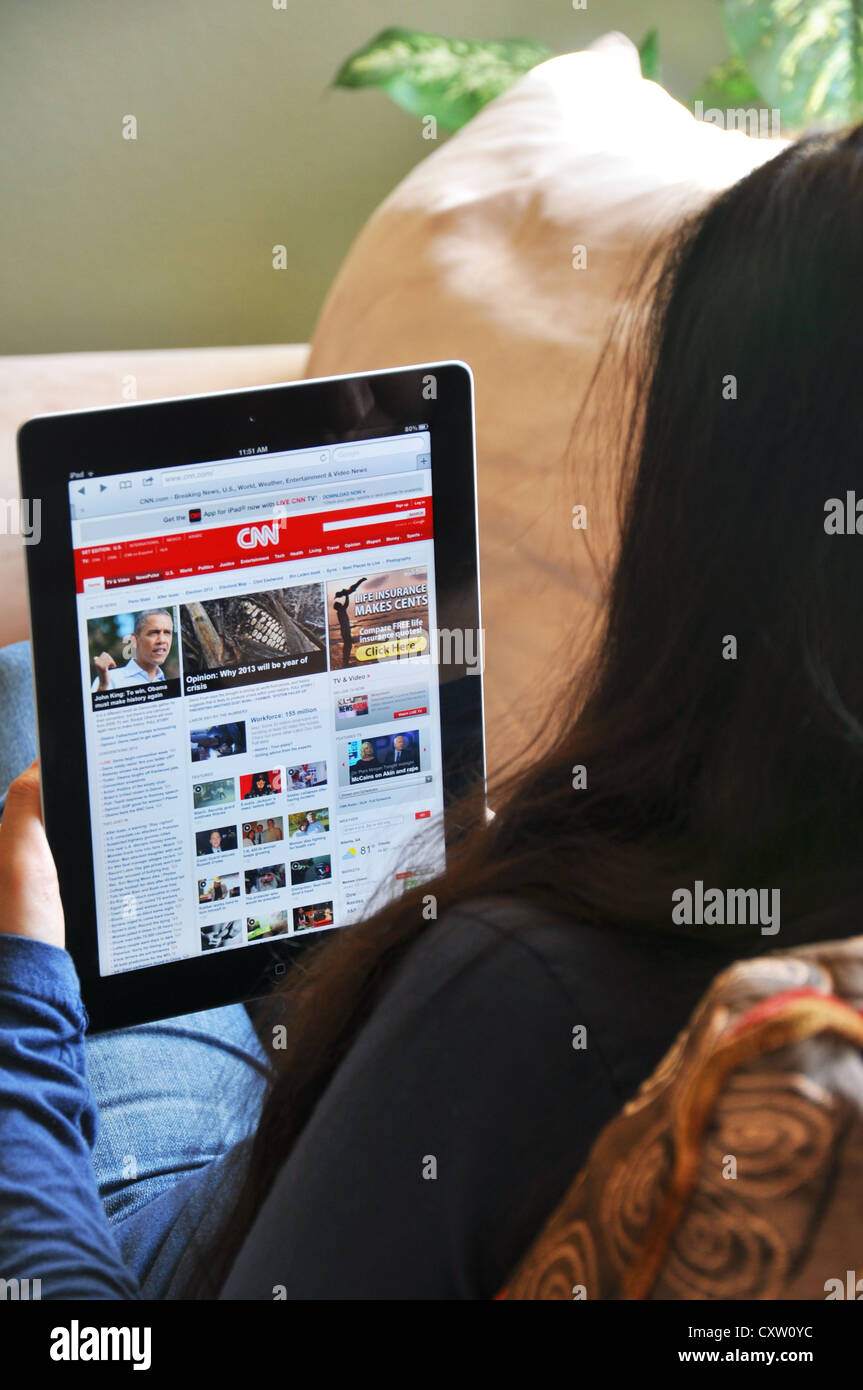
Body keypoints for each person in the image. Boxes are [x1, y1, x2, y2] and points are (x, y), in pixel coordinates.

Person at [4, 127, 863, 1299]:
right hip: (312, 1131)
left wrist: (22, 993)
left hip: (155, 1244)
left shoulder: (517, 992)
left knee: (25, 698)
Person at [91, 610, 173, 692]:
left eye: (167, 633)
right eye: (154, 633)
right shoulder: (109, 681)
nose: (162, 640)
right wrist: (102, 687)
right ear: (135, 640)